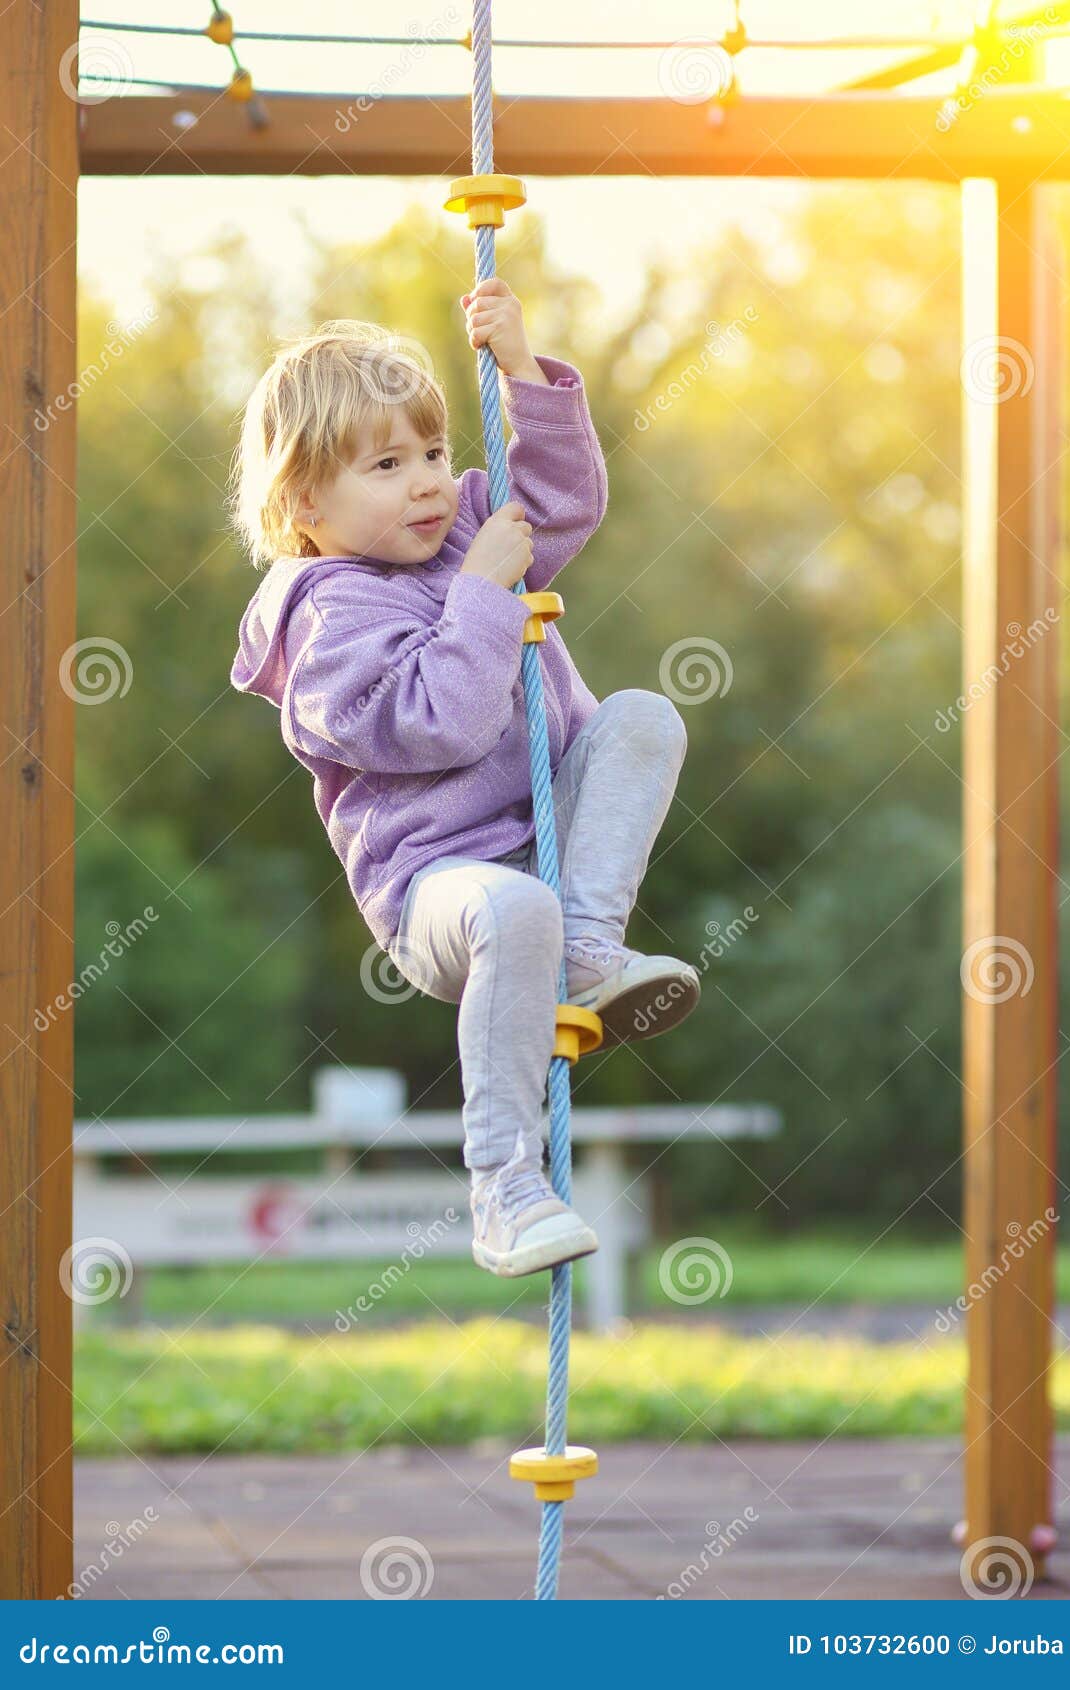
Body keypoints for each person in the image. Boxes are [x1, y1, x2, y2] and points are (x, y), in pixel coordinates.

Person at [229, 279, 700, 1278]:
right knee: (515, 907)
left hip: (546, 844)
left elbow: (563, 505)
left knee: (641, 719)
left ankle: (588, 947)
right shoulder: (323, 625)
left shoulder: (462, 533)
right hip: (442, 889)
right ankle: (503, 1186)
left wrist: (524, 369)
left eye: (435, 454)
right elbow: (438, 723)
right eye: (388, 465)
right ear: (305, 502)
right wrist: (482, 593)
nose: (430, 484)